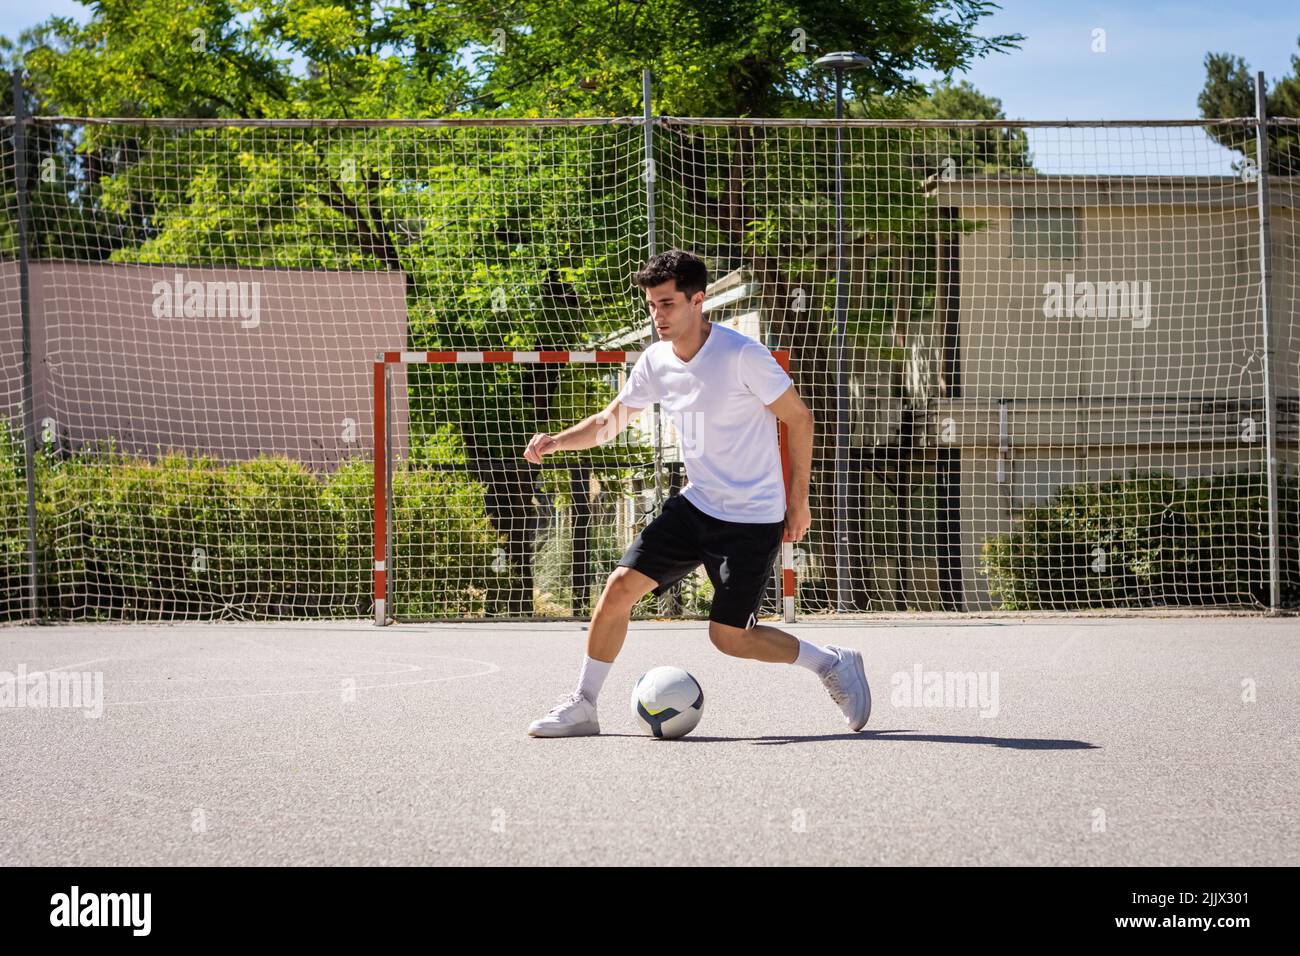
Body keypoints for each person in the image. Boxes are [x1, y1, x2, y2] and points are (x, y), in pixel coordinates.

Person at [522, 249, 869, 737]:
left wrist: (798, 500)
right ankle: (583, 704)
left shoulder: (742, 355)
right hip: (697, 504)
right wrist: (557, 441)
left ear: (697, 300)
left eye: (666, 304)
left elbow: (799, 417)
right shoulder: (656, 361)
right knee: (619, 587)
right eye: (651, 306)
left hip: (752, 518)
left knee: (730, 638)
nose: (657, 316)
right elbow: (609, 422)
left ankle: (831, 662)